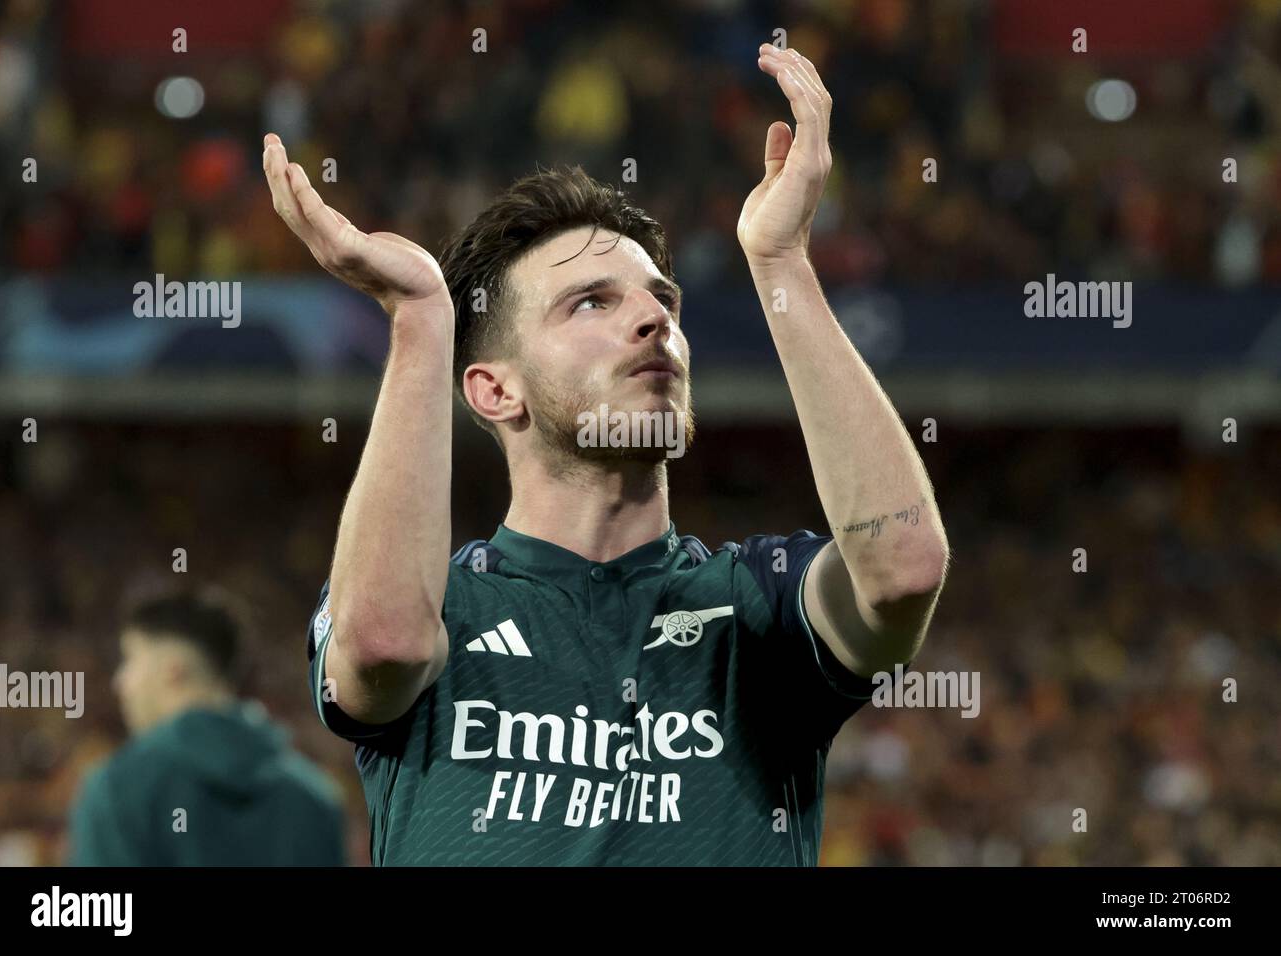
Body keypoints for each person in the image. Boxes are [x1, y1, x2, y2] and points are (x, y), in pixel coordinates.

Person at [268, 43, 949, 865]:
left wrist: (780, 263)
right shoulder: (439, 607)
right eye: (591, 302)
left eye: (662, 299)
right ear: (494, 391)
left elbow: (903, 569)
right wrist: (418, 318)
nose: (654, 319)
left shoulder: (753, 609)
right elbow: (380, 645)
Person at [68, 588, 346, 866]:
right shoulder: (315, 798)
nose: (120, 683)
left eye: (130, 660)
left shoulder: (118, 789)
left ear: (172, 670)